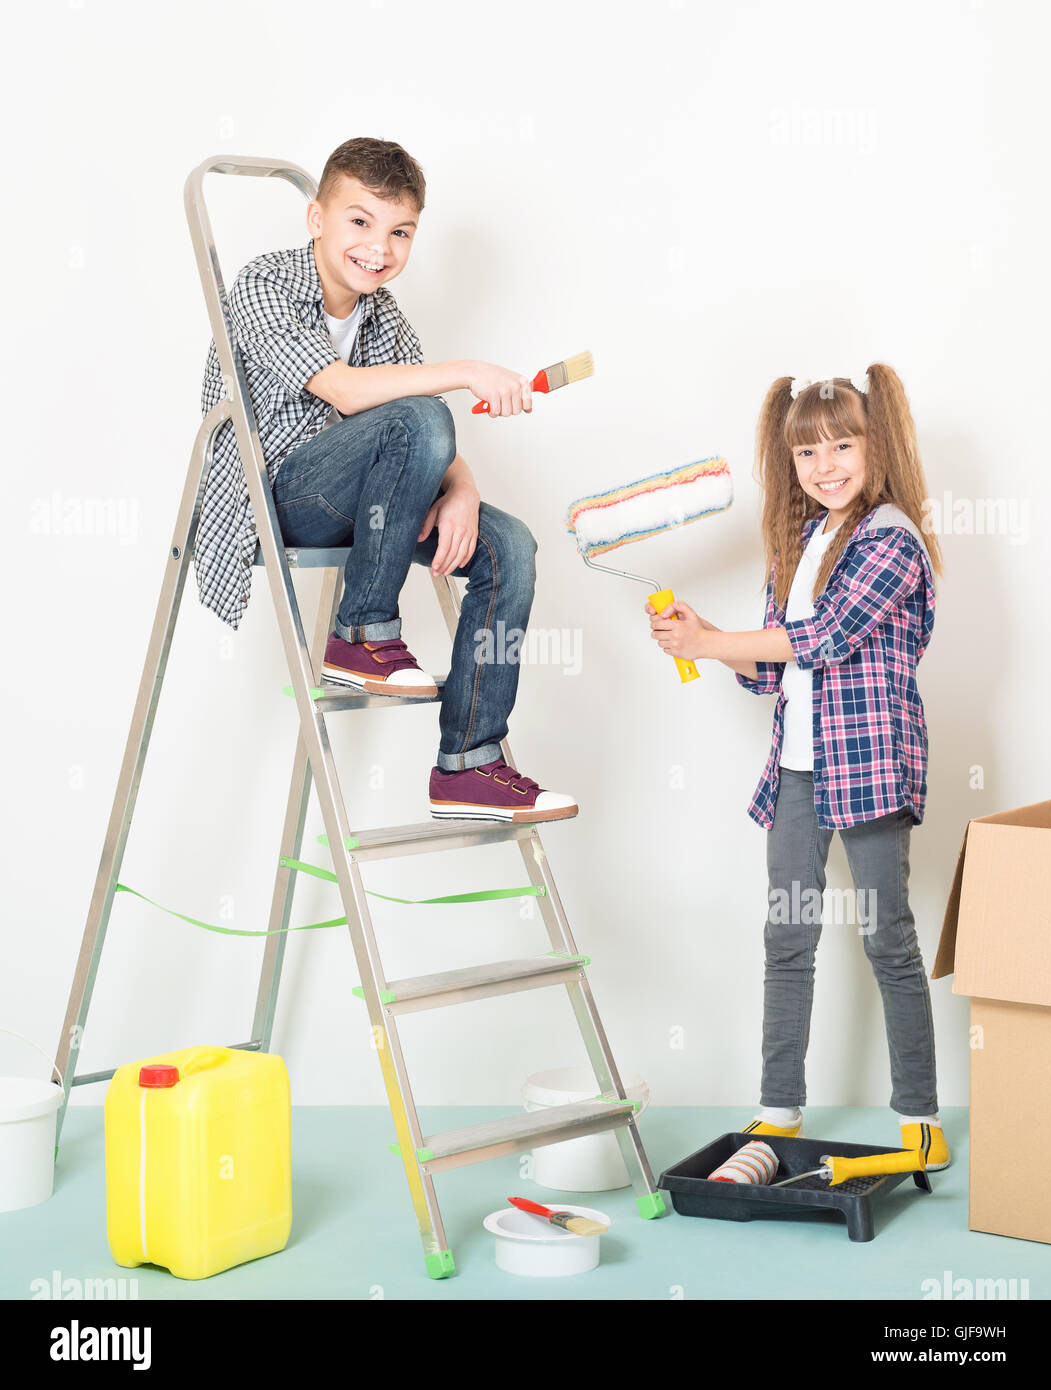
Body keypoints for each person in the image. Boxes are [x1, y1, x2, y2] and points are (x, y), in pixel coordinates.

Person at [196, 137, 576, 823]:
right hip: (280, 493)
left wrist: (461, 490)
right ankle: (363, 631)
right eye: (360, 222)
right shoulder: (263, 285)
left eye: (400, 231)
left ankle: (469, 764)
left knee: (510, 547)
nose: (380, 247)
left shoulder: (385, 314)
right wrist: (466, 370)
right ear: (317, 219)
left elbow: (419, 427)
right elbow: (345, 392)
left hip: (372, 497)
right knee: (422, 414)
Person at [646, 365, 950, 1170]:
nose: (826, 466)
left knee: (888, 936)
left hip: (871, 769)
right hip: (798, 774)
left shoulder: (892, 539)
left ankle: (920, 1115)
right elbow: (777, 668)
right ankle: (779, 1109)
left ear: (875, 445)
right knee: (788, 936)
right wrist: (707, 638)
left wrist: (716, 643)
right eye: (808, 452)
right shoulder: (802, 543)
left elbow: (823, 641)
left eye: (842, 445)